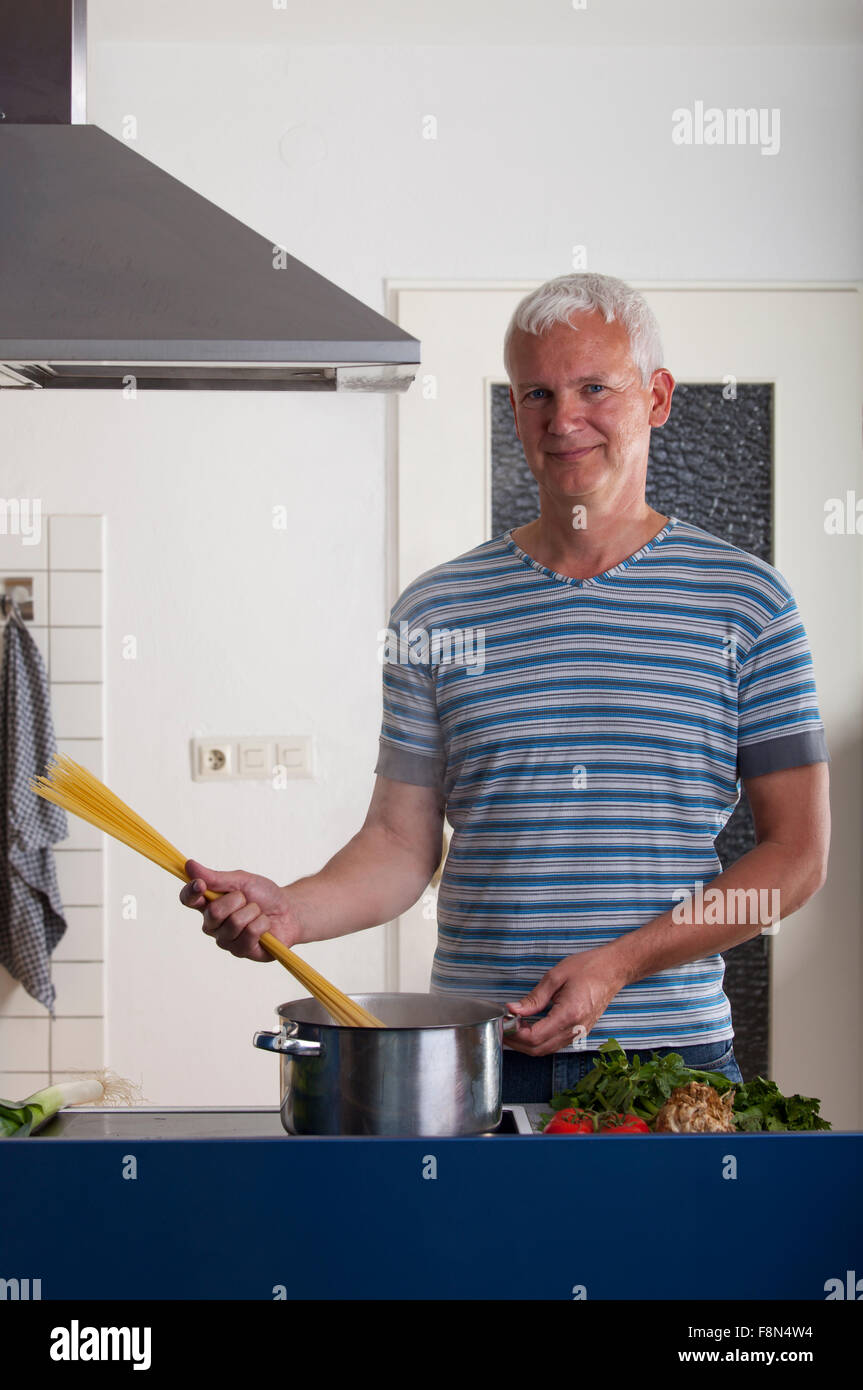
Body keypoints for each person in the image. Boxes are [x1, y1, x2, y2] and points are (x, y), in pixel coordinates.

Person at [180, 272, 830, 1102]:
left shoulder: (746, 604)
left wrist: (617, 965)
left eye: (594, 387)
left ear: (657, 398)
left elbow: (795, 858)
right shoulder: (437, 608)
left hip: (668, 1065)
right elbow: (397, 845)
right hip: (474, 1061)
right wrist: (291, 913)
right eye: (536, 393)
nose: (563, 420)